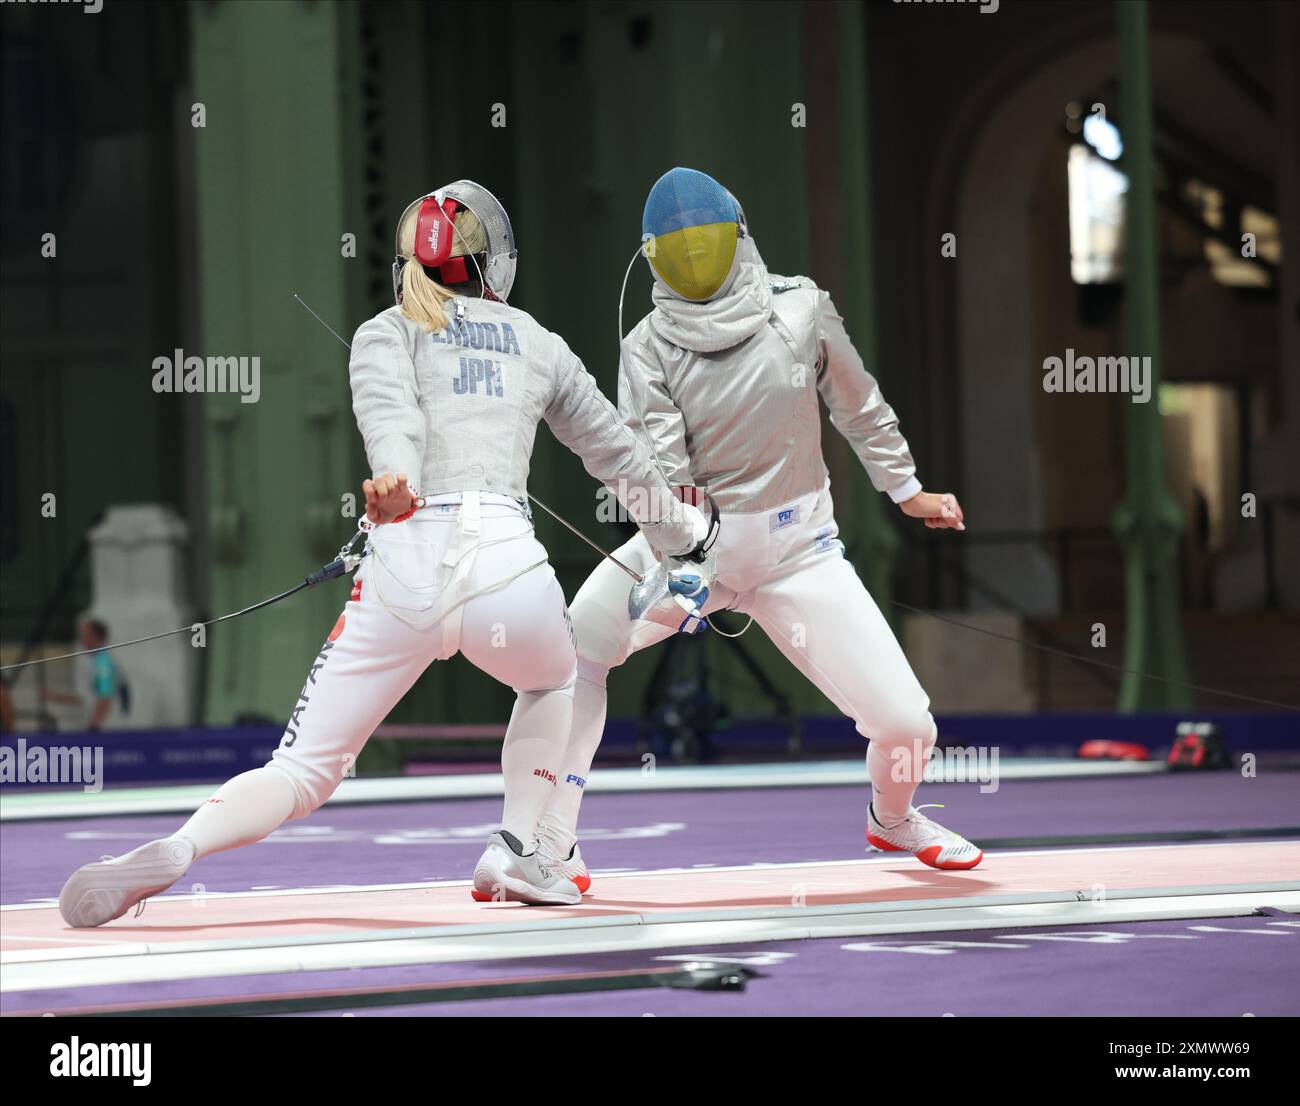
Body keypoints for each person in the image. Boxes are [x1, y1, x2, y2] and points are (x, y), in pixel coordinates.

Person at [58, 180, 709, 926]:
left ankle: (181, 847)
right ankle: (515, 847)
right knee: (557, 681)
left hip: (404, 564)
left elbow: (391, 422)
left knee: (301, 770)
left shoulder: (383, 331)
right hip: (508, 569)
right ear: (496, 260)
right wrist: (682, 538)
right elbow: (618, 456)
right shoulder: (538, 342)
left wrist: (396, 483)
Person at [532, 167, 982, 892]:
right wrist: (681, 552)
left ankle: (892, 818)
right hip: (688, 549)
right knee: (574, 648)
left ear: (739, 237)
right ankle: (550, 840)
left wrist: (906, 489)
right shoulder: (647, 344)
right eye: (681, 255)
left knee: (906, 727)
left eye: (706, 247)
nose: (698, 267)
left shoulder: (801, 308)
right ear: (654, 261)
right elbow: (660, 464)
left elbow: (857, 403)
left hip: (798, 553)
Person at [42, 619, 121, 731]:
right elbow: (85, 698)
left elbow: (105, 696)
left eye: (85, 634)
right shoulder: (92, 661)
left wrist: (94, 727)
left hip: (104, 729)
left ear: (96, 636)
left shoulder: (103, 662)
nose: (82, 639)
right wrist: (57, 697)